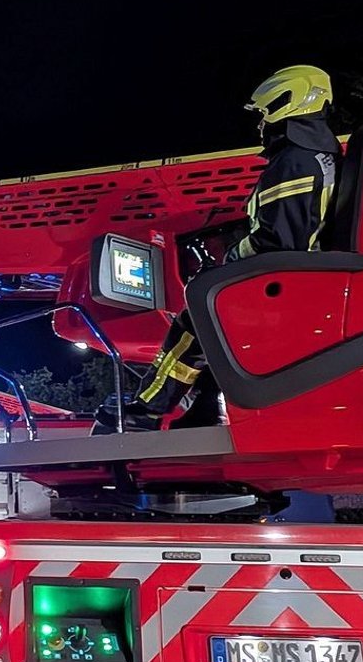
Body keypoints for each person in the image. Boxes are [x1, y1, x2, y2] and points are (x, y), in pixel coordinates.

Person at [111, 65, 342, 431]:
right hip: (304, 280)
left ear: (283, 106)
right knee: (210, 313)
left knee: (196, 314)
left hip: (288, 283)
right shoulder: (318, 153)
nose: (260, 125)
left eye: (263, 115)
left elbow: (279, 241)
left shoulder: (294, 161)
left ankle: (147, 409)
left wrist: (227, 262)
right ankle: (201, 410)